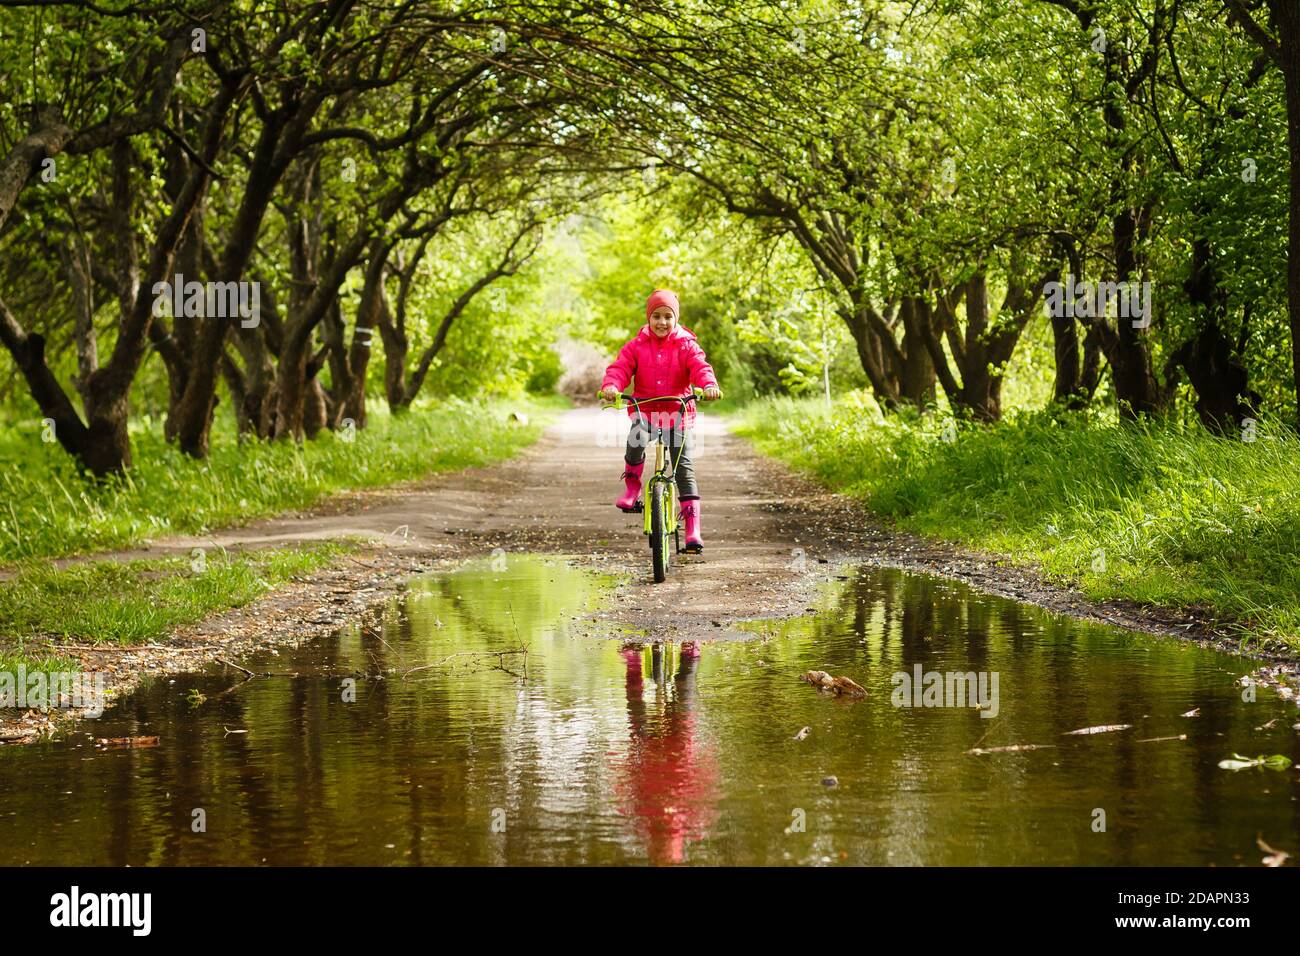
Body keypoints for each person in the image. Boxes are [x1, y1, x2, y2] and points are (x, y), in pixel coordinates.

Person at [600, 289, 722, 553]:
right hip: (646, 411)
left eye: (668, 316)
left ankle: (692, 529)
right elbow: (620, 368)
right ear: (649, 317)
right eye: (656, 316)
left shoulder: (687, 345)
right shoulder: (636, 346)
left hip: (677, 413)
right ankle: (632, 490)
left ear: (676, 318)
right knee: (635, 441)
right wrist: (611, 385)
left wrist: (709, 385)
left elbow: (701, 368)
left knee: (684, 468)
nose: (662, 322)